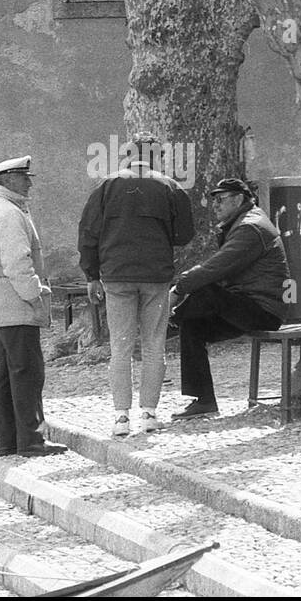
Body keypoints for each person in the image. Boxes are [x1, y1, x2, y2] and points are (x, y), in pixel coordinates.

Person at [78, 133, 194, 437]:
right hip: (156, 276)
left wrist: (91, 275)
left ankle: (120, 417)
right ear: (157, 156)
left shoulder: (106, 186)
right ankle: (149, 413)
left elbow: (88, 233)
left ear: (127, 155)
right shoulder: (170, 187)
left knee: (121, 346)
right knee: (155, 345)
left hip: (116, 276)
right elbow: (184, 235)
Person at [169, 178, 290, 419]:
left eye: (221, 199)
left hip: (262, 310)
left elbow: (216, 268)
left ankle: (167, 323)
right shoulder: (242, 224)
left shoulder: (250, 227)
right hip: (247, 305)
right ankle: (203, 400)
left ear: (239, 199)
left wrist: (177, 291)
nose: (215, 205)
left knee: (205, 290)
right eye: (214, 200)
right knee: (193, 326)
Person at [0, 155, 68, 457]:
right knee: (27, 372)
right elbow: (18, 264)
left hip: (2, 298)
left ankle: (8, 441)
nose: (29, 183)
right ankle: (31, 440)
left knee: (6, 374)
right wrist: (35, 297)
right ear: (9, 179)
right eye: (24, 177)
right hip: (16, 299)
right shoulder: (10, 213)